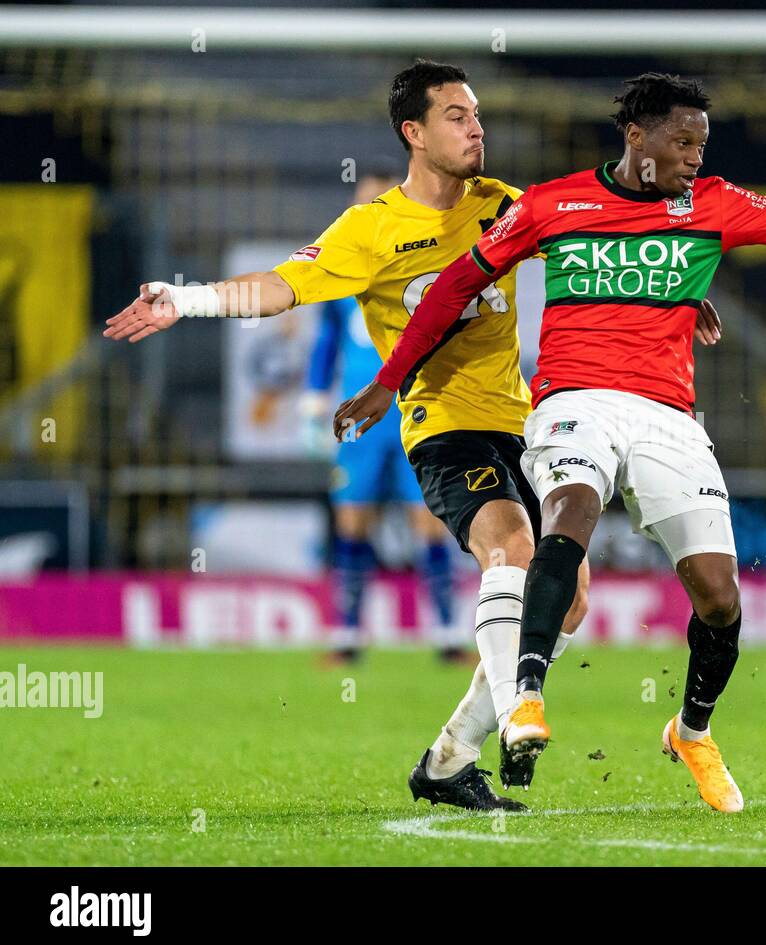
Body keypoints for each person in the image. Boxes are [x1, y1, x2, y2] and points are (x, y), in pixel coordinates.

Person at [336, 72, 766, 811]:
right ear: (636, 135)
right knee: (569, 513)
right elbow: (453, 286)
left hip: (669, 416)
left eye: (702, 143)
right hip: (574, 401)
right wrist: (390, 380)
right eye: (682, 140)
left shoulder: (713, 206)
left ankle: (692, 730)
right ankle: (528, 698)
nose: (695, 156)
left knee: (717, 595)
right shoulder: (554, 203)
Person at [105, 62, 724, 811]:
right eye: (458, 117)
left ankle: (449, 757)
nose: (477, 128)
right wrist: (190, 298)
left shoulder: (505, 205)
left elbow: (602, 234)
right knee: (513, 551)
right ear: (415, 132)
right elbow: (279, 287)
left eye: (478, 116)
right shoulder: (370, 229)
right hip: (442, 428)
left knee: (568, 602)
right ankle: (521, 710)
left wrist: (683, 296)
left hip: (524, 422)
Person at [302, 164, 464, 666]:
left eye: (375, 203)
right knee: (352, 523)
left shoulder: (421, 264)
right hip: (358, 418)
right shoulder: (339, 270)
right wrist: (312, 401)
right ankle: (348, 637)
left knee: (430, 523)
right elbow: (327, 339)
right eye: (359, 204)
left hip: (416, 411)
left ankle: (447, 636)